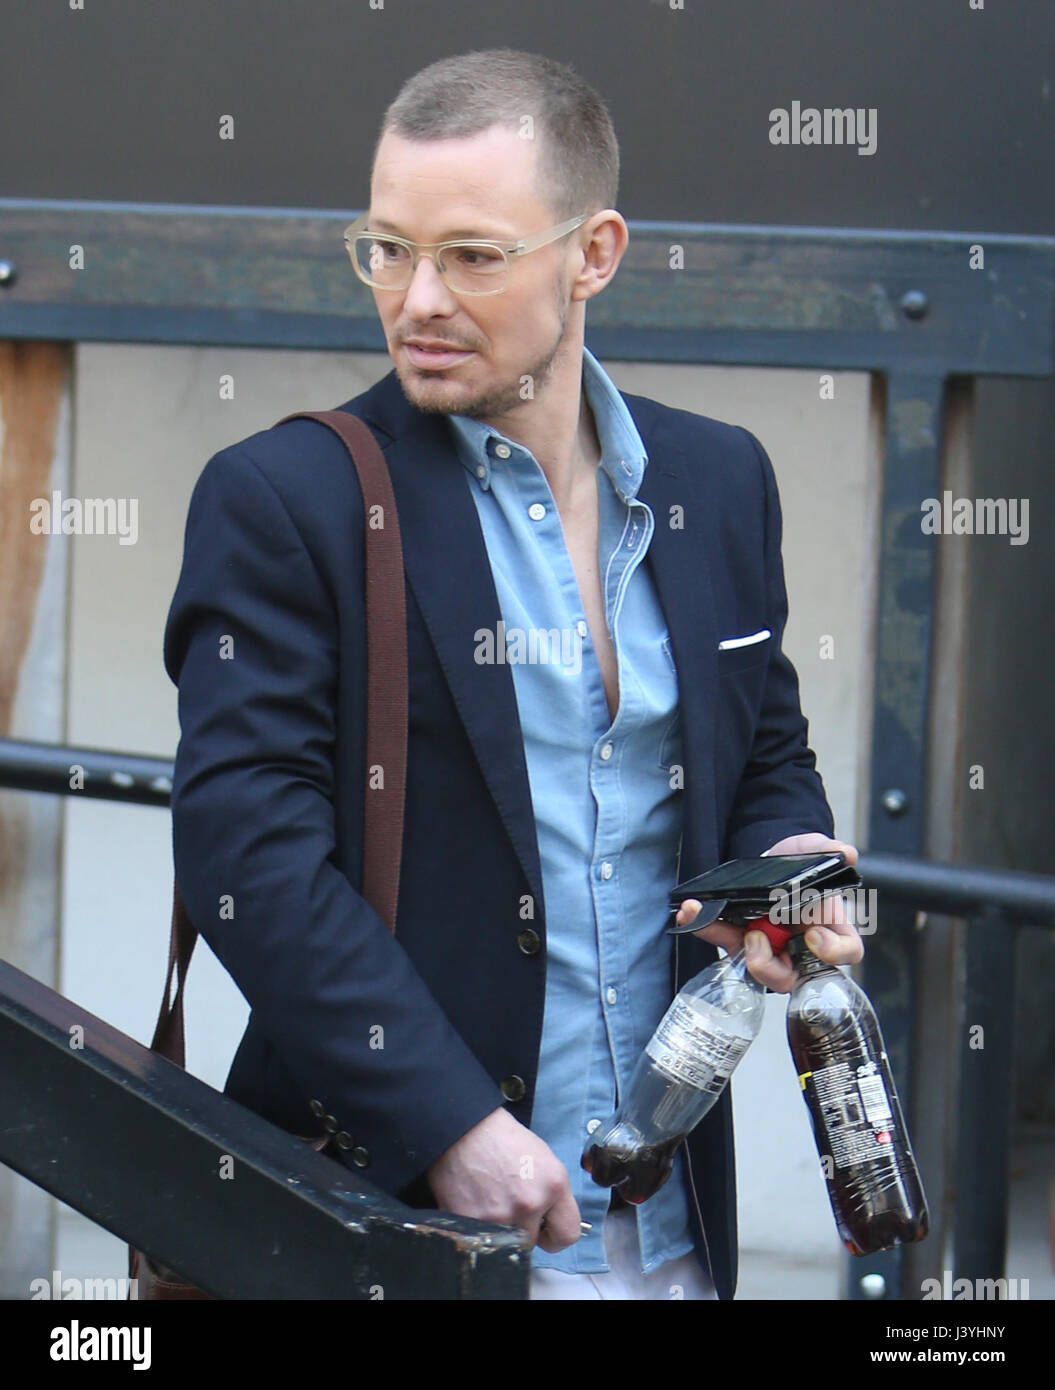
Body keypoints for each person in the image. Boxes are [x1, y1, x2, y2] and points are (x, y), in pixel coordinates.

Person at [163, 48, 863, 1301]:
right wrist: (445, 1124)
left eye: (472, 256)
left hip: (670, 1230)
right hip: (413, 1225)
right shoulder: (288, 498)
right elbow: (243, 860)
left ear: (592, 253)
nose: (416, 296)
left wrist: (788, 864)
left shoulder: (717, 478)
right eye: (386, 248)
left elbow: (762, 751)